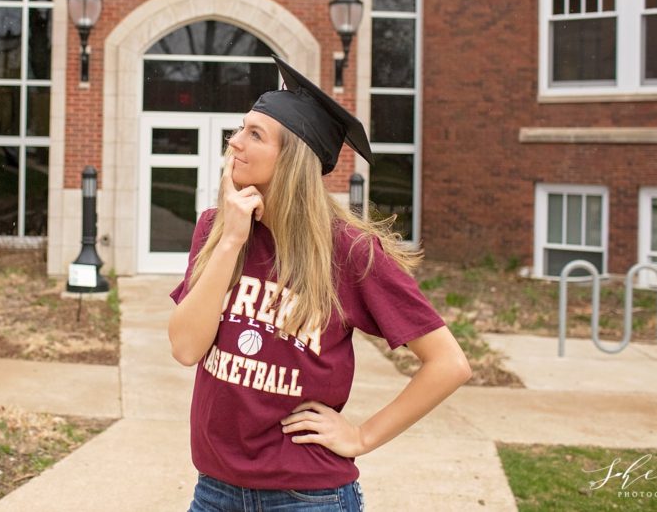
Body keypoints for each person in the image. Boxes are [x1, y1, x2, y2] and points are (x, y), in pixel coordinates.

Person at [168, 56, 472, 511]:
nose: (235, 142)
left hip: (306, 496)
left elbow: (448, 363)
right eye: (240, 128)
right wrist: (232, 238)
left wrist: (363, 435)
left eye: (255, 134)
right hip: (214, 490)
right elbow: (186, 348)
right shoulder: (215, 228)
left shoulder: (349, 252)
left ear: (291, 159)